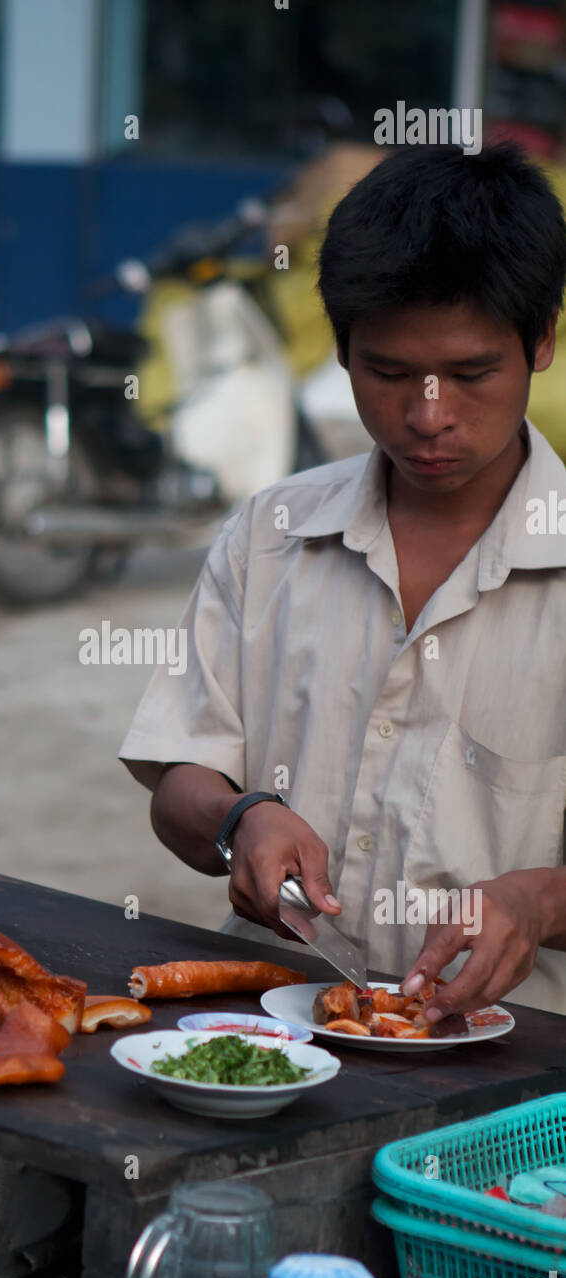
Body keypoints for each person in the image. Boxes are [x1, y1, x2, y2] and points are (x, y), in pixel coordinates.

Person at [118, 141, 566, 1019]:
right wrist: (240, 816)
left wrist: (542, 902)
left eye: (472, 373)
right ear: (340, 351)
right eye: (388, 373)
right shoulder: (272, 535)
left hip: (515, 1076)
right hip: (274, 1036)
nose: (428, 415)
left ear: (541, 341)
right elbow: (180, 778)